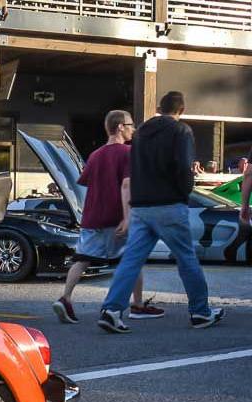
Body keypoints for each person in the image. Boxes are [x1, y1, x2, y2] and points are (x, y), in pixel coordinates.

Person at [98, 92, 222, 333]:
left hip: (142, 206)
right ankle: (200, 312)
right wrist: (184, 192)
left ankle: (111, 310)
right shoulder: (181, 131)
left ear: (158, 108)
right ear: (181, 110)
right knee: (186, 258)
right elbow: (183, 166)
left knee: (132, 260)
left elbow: (133, 167)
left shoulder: (141, 132)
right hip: (169, 204)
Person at [52, 110, 163, 324]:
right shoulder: (127, 153)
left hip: (92, 217)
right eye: (131, 125)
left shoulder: (95, 155)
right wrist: (127, 217)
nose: (133, 129)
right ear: (120, 126)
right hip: (116, 217)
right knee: (134, 258)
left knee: (82, 259)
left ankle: (65, 298)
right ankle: (137, 305)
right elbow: (126, 184)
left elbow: (84, 184)